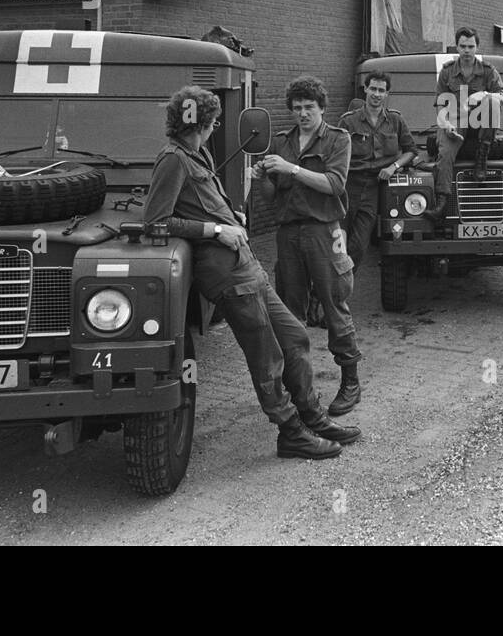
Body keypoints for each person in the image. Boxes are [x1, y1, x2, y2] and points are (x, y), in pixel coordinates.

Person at [143, 85, 358, 460]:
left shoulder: (198, 154)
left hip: (247, 265)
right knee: (267, 355)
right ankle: (291, 431)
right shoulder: (173, 160)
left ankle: (312, 416)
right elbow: (155, 223)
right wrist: (215, 230)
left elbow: (200, 205)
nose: (213, 127)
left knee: (294, 338)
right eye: (212, 122)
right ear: (205, 122)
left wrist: (231, 217)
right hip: (226, 274)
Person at [255, 76, 363, 417]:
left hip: (323, 230)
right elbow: (271, 197)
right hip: (288, 234)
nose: (302, 114)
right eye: (297, 108)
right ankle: (300, 389)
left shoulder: (337, 139)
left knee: (334, 304)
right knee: (290, 312)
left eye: (309, 108)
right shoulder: (281, 142)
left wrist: (292, 168)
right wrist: (262, 179)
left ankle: (350, 382)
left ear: (321, 109)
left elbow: (334, 184)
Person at [339, 70, 417, 272]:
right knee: (337, 245)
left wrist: (394, 166)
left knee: (358, 247)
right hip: (348, 187)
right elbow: (335, 155)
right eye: (373, 88)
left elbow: (411, 151)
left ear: (387, 94)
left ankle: (342, 288)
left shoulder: (395, 121)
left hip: (375, 189)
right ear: (365, 89)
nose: (376, 94)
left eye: (381, 90)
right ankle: (321, 293)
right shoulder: (349, 121)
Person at [428, 27, 503, 221]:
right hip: (455, 121)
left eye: (470, 46)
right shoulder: (447, 72)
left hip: (481, 124)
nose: (466, 51)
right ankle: (442, 202)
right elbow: (440, 102)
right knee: (445, 153)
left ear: (477, 47)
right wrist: (445, 124)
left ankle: (482, 158)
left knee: (494, 101)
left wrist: (486, 94)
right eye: (462, 46)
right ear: (456, 46)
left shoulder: (488, 71)